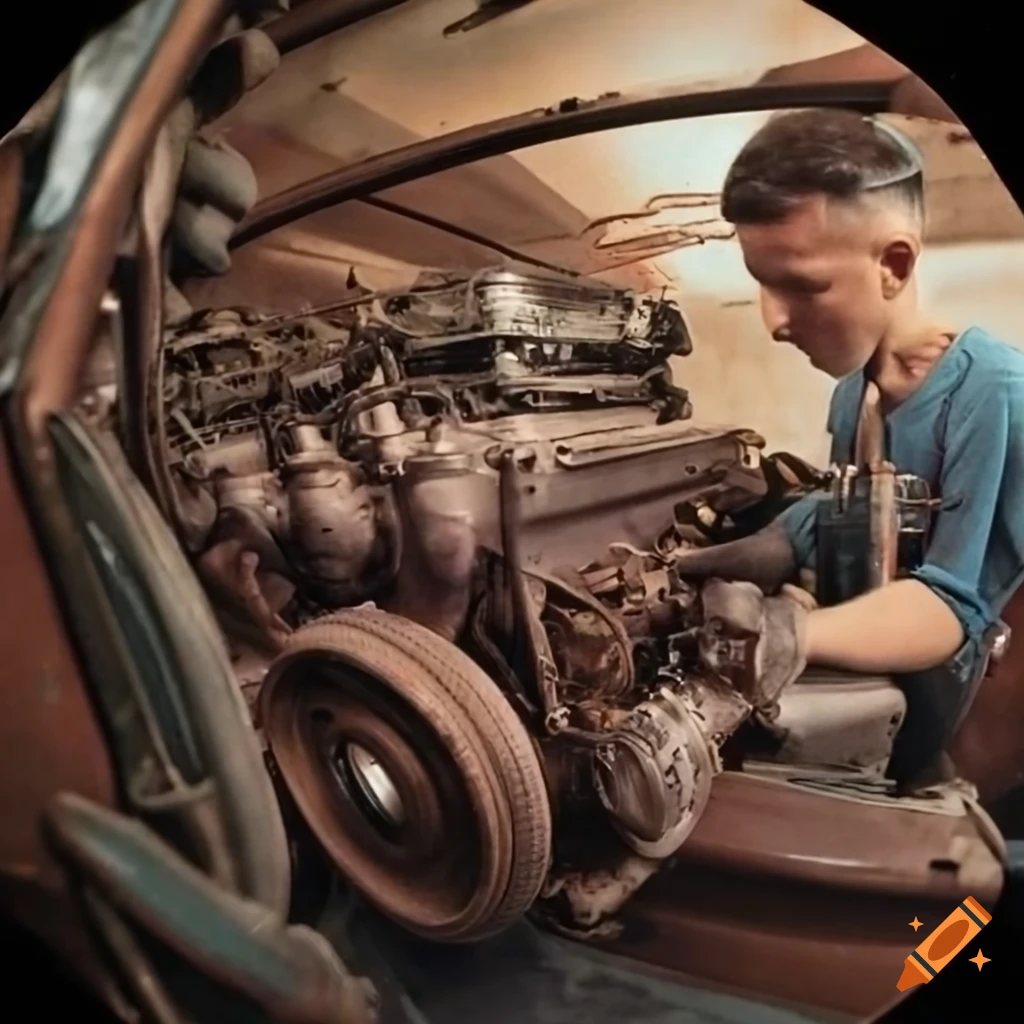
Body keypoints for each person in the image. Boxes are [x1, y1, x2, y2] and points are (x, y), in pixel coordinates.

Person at [676, 107, 1024, 787]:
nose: (773, 320)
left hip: (980, 746)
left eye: (801, 286)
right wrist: (763, 550)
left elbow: (947, 609)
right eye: (760, 283)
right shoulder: (853, 394)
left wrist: (795, 636)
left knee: (951, 897)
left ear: (893, 265)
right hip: (898, 712)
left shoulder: (996, 395)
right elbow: (855, 521)